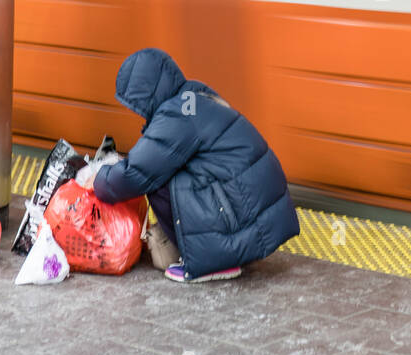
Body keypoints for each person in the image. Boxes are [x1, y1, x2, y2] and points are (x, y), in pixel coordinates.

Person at [93, 48, 299, 283]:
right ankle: (220, 251)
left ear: (147, 93)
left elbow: (135, 174)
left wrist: (98, 177)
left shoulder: (178, 113)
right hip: (252, 214)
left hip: (243, 216)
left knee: (158, 181)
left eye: (136, 104)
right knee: (167, 170)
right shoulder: (193, 97)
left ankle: (215, 261)